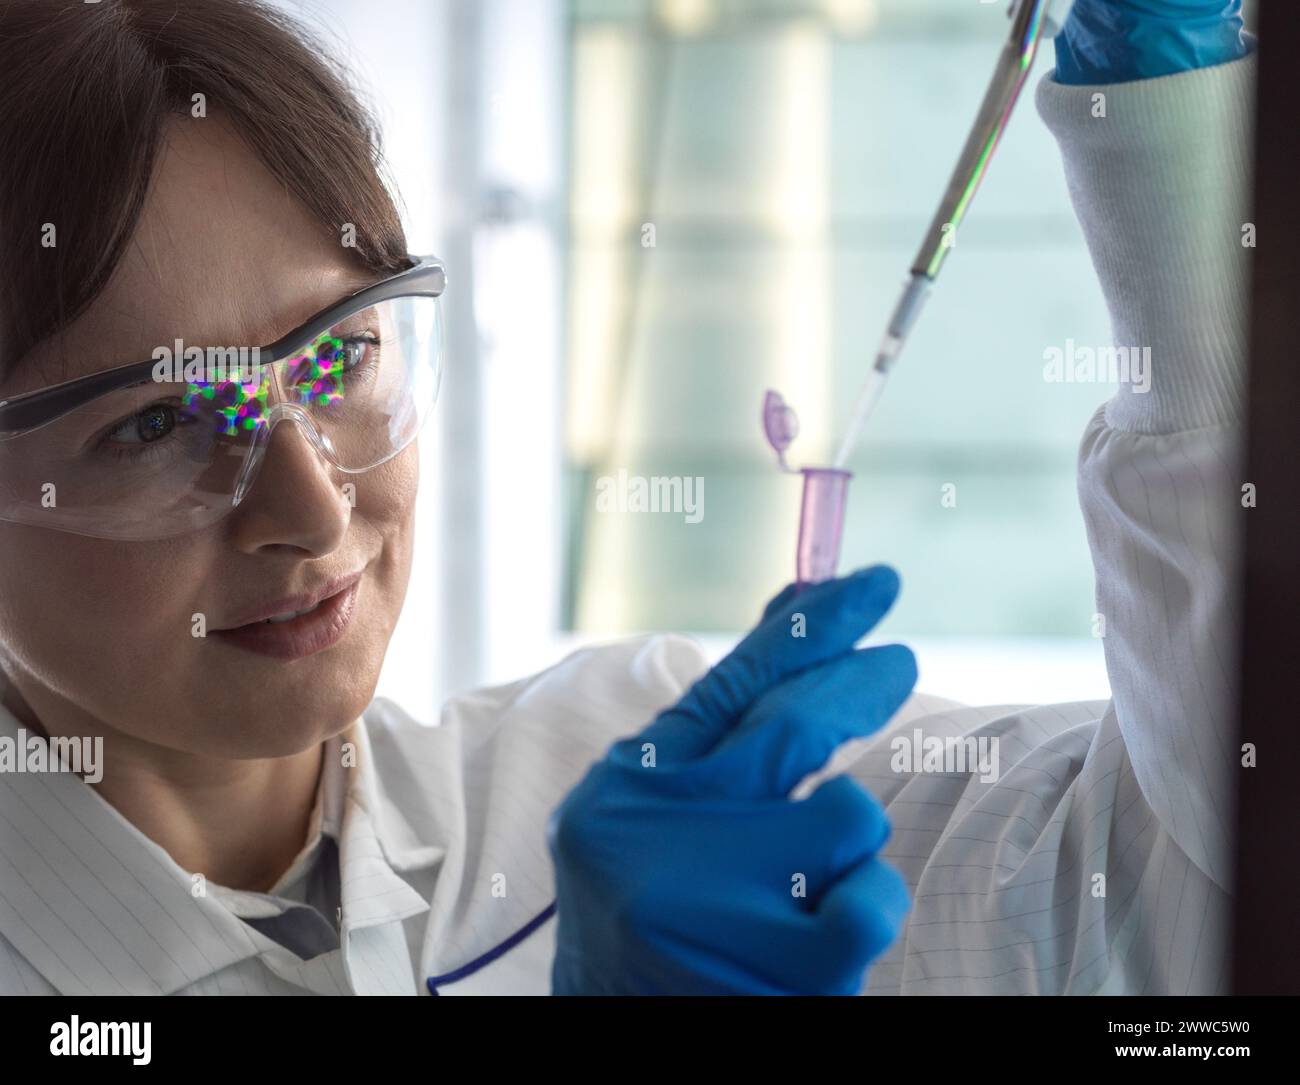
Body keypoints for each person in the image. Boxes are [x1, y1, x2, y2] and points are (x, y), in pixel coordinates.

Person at [0, 0, 1253, 995]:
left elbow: (1198, 898)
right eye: (156, 423)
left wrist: (1163, 136)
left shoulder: (629, 772)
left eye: (342, 353)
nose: (316, 511)